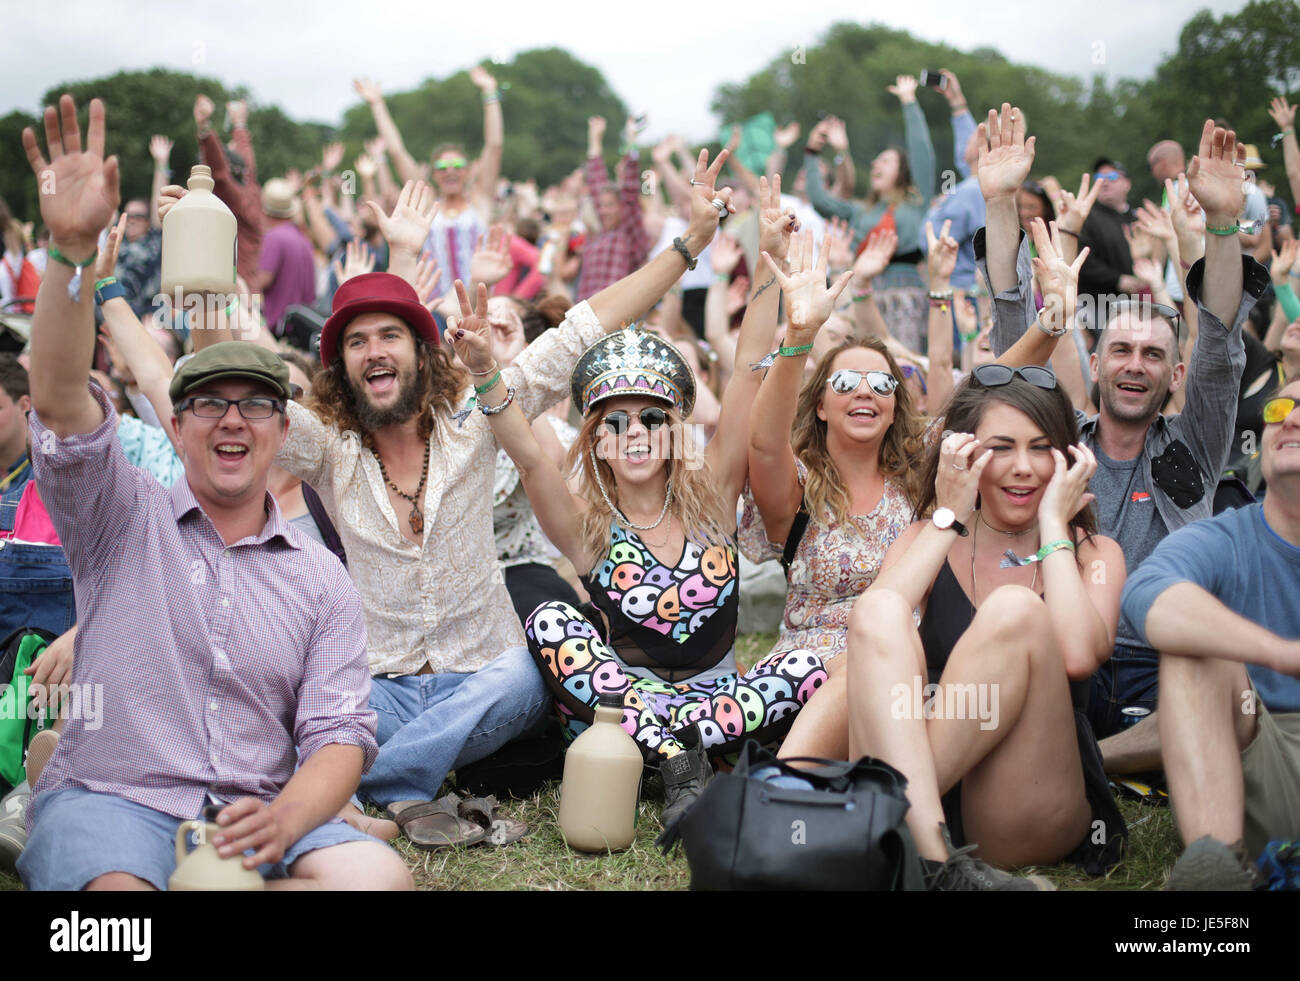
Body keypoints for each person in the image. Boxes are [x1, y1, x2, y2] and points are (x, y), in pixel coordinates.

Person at [252, 150, 736, 846]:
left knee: (522, 673)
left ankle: (373, 784)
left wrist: (689, 243)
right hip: (379, 689)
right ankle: (402, 781)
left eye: (391, 335)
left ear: (424, 352)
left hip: (484, 686)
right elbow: (237, 393)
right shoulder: (329, 444)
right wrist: (196, 289)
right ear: (342, 367)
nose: (373, 350)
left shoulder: (475, 416)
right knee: (312, 689)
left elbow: (583, 329)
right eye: (356, 342)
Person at [16, 95, 409, 890]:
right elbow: (58, 400)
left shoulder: (318, 576)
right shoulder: (118, 517)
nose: (233, 419)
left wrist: (288, 818)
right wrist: (70, 251)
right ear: (178, 424)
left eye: (257, 403)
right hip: (116, 800)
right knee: (116, 908)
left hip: (255, 805)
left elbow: (339, 734)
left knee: (379, 880)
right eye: (208, 403)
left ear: (279, 430)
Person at [451, 178, 825, 826]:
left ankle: (696, 749)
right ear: (595, 440)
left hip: (721, 715)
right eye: (614, 422)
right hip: (620, 733)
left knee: (812, 661)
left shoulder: (713, 496)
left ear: (675, 428)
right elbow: (530, 451)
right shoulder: (585, 523)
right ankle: (683, 757)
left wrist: (768, 258)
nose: (634, 434)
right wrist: (487, 371)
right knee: (550, 620)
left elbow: (747, 373)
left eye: (652, 418)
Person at [983, 114, 1269, 756]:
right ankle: (1110, 756)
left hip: (1166, 666)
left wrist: (1221, 227)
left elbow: (1219, 343)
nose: (1134, 364)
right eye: (1121, 350)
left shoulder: (1195, 442)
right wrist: (1000, 204)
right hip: (1068, 659)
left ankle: (1092, 761)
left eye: (1151, 354)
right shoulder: (1056, 444)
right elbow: (1012, 346)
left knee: (1236, 702)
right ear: (1098, 362)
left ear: (1174, 374)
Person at [846, 363, 1126, 889]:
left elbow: (1078, 656)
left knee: (1014, 609)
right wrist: (947, 515)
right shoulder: (925, 536)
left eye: (1041, 447)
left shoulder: (1095, 555)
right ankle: (934, 865)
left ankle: (884, 831)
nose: (1023, 467)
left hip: (1026, 799)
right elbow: (870, 630)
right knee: (879, 608)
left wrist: (1052, 530)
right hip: (938, 800)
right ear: (966, 455)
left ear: (1067, 459)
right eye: (1001, 447)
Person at [1124, 378, 1300, 888]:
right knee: (1193, 647)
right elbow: (1147, 596)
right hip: (1260, 759)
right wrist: (1282, 654)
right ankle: (1219, 870)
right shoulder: (1224, 536)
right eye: (1280, 408)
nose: (1289, 419)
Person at [803, 75, 937, 351]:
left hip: (907, 295)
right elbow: (820, 200)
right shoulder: (859, 211)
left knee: (905, 362)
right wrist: (813, 151)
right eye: (876, 160)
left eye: (886, 160)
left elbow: (922, 150)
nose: (876, 163)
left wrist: (909, 102)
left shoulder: (917, 202)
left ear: (903, 171)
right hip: (865, 295)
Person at [576, 116, 652, 301]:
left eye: (610, 205)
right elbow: (596, 181)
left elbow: (630, 186)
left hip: (617, 315)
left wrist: (631, 138)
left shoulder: (628, 233)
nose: (603, 210)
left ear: (621, 207)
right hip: (586, 313)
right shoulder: (596, 235)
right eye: (601, 206)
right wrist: (594, 138)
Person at [195, 96, 263, 285]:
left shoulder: (235, 197)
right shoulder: (251, 190)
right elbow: (246, 162)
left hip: (232, 295)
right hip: (247, 290)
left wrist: (205, 130)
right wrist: (239, 124)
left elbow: (220, 175)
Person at [249, 178, 316, 335]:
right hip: (300, 330)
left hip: (279, 329)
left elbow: (261, 281)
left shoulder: (274, 237)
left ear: (264, 210)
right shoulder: (303, 238)